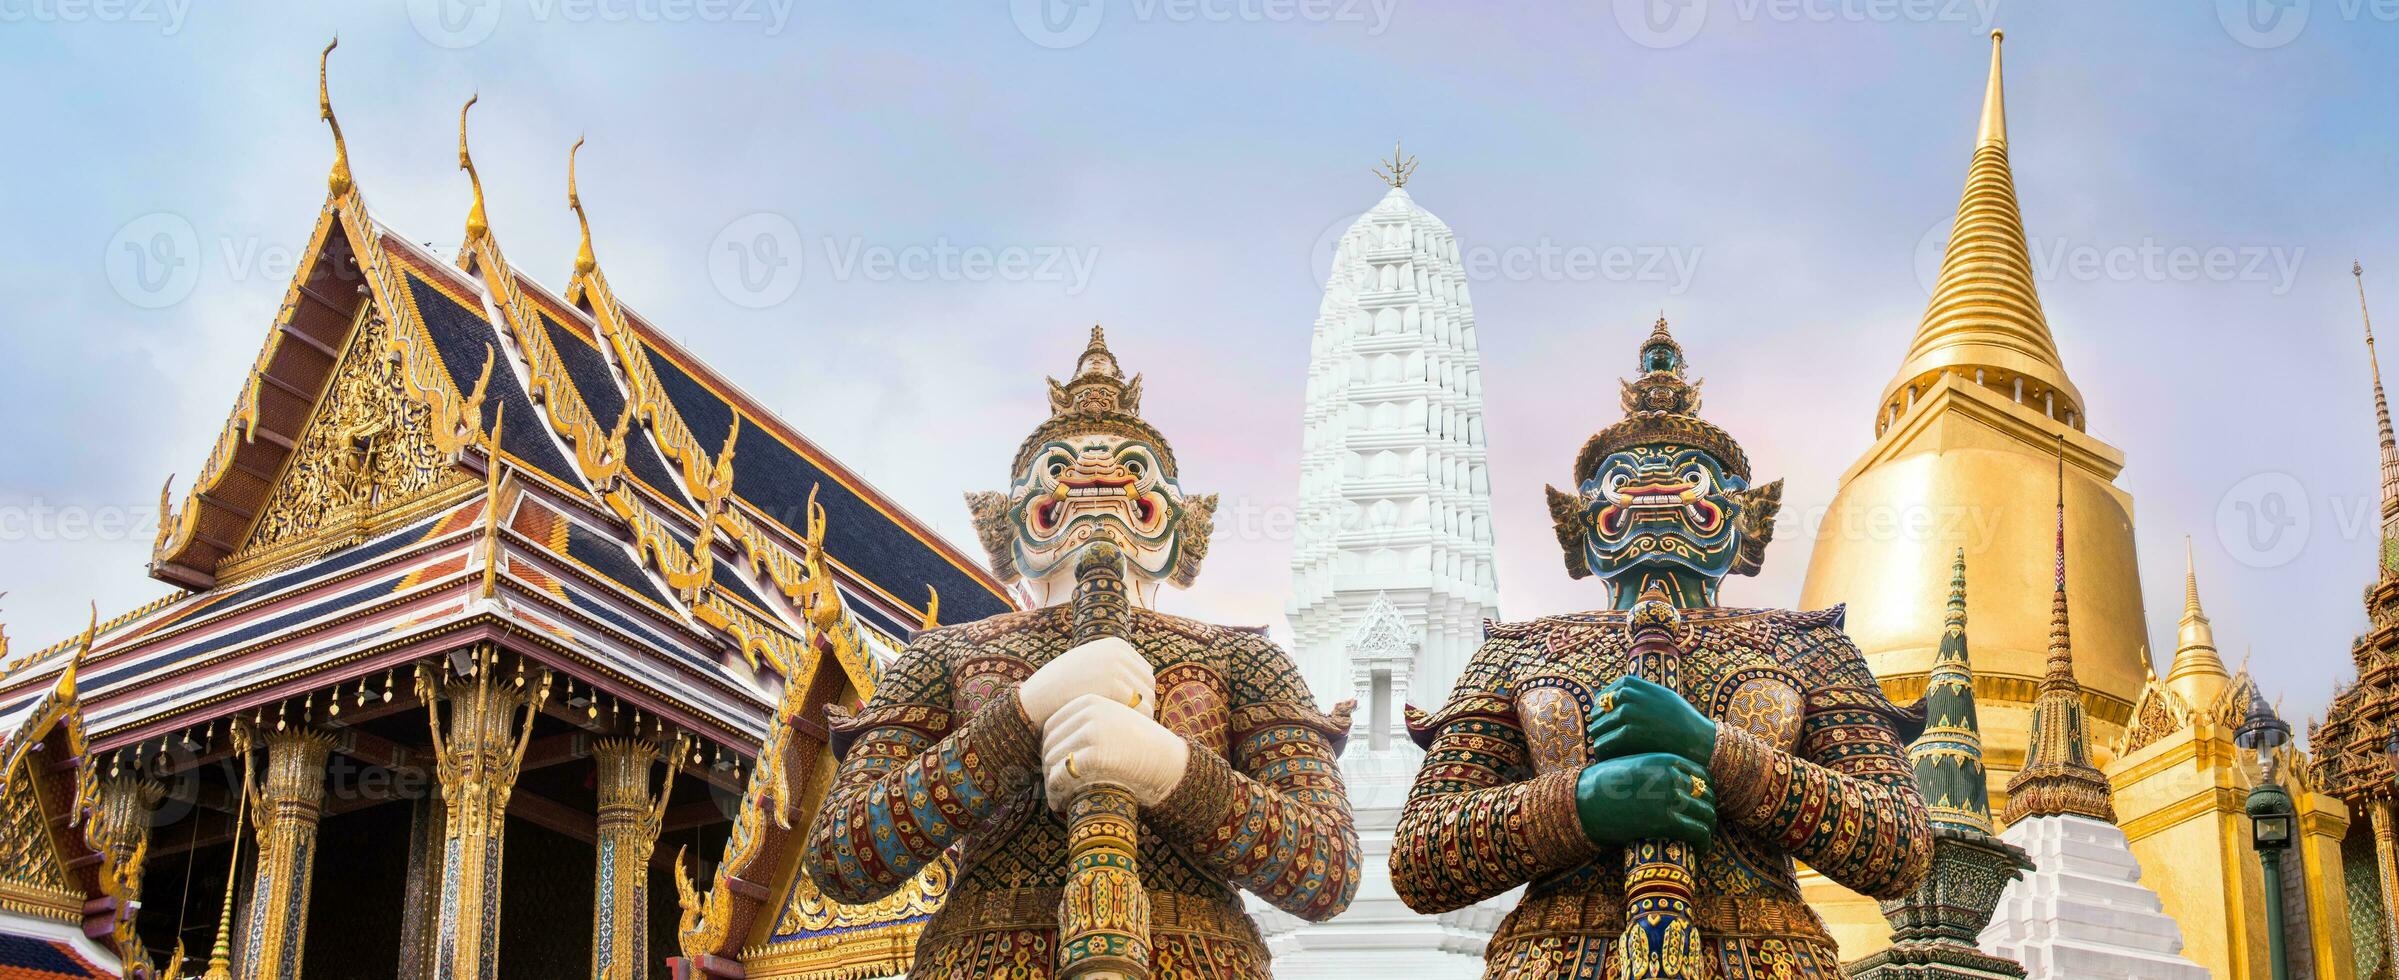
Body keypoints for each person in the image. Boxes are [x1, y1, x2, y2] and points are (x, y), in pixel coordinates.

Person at [801, 327, 1357, 978]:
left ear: (1180, 523)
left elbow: (1326, 868)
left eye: (1130, 477)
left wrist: (1170, 770)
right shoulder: (942, 656)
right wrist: (1022, 715)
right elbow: (843, 852)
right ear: (1009, 524)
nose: (1096, 483)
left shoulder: (1242, 660)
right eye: (1060, 474)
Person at [1392, 319, 1931, 978]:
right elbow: (1421, 857)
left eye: (1693, 480)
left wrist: (1717, 751)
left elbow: (1900, 844)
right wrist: (1583, 801)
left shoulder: (1805, 646)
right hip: (1558, 958)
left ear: (1748, 521)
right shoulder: (1519, 651)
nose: (1657, 489)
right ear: (1578, 524)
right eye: (1621, 482)